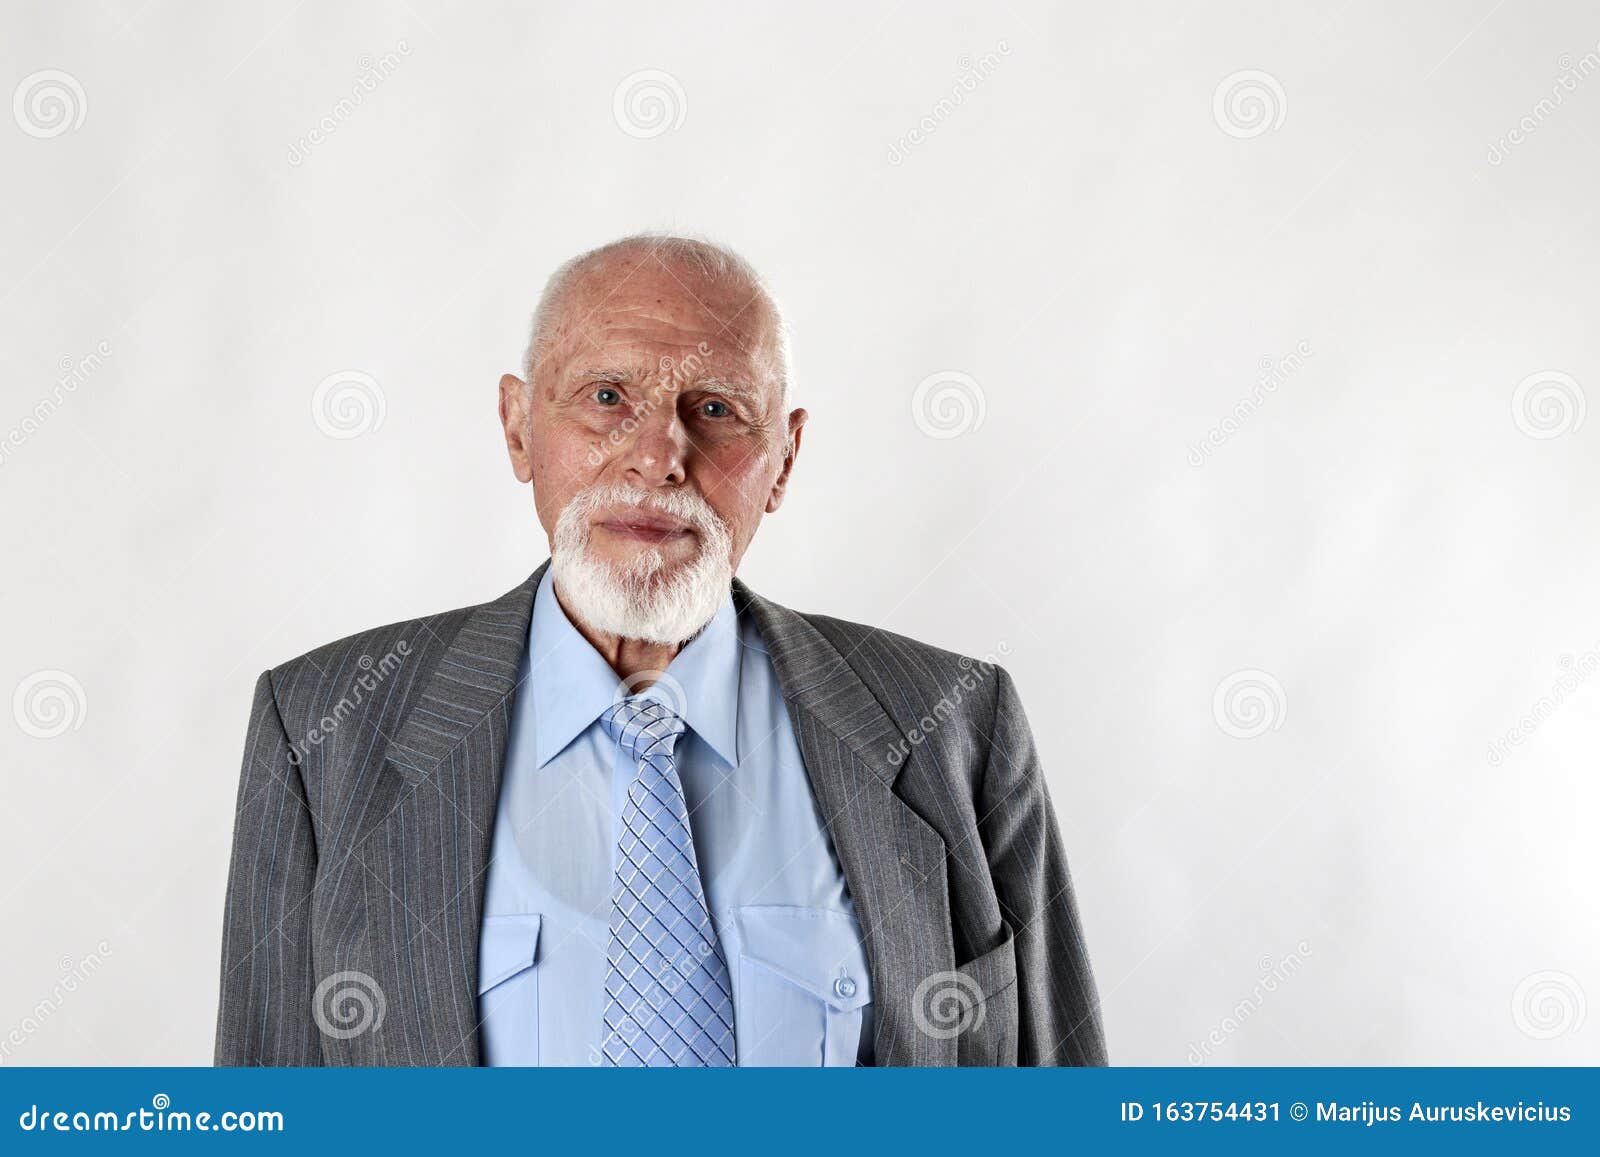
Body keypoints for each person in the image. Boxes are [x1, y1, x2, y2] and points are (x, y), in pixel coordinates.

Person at [214, 234, 1106, 1066]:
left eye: (716, 408)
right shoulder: (323, 730)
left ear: (785, 457)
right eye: (607, 397)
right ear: (518, 427)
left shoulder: (954, 723)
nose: (657, 457)